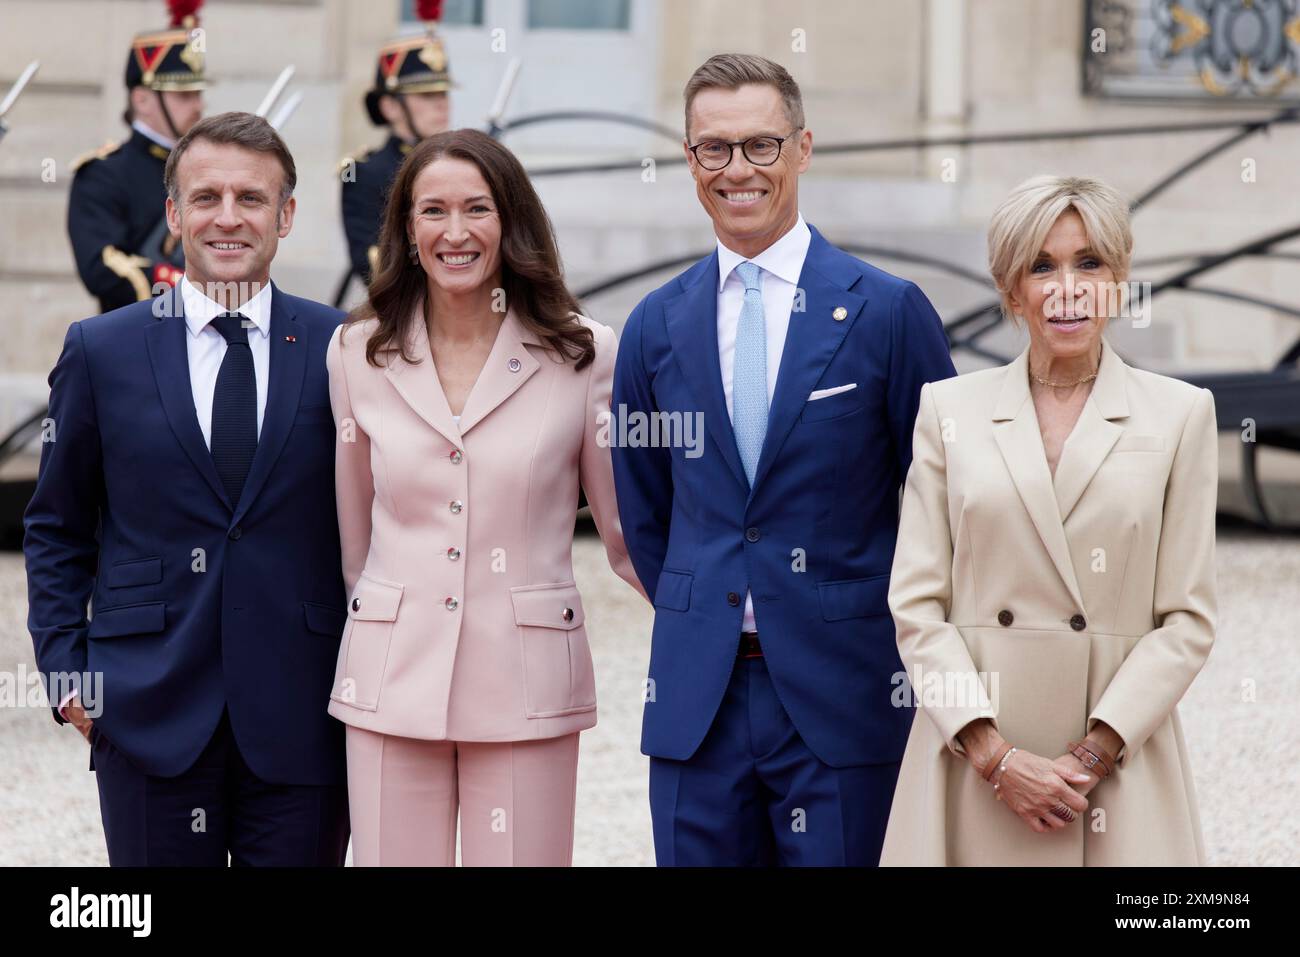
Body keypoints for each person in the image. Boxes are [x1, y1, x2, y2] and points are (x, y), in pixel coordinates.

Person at [611, 54, 957, 866]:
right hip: (699, 701)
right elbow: (644, 510)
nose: (739, 170)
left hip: (845, 694)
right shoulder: (655, 325)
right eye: (714, 149)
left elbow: (944, 504)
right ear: (690, 160)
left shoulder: (888, 312)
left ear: (803, 148)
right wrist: (708, 609)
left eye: (762, 146)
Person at [25, 112, 350, 866]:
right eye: (206, 197)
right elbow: (56, 526)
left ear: (287, 215)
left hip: (304, 715)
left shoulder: (343, 347)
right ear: (174, 214)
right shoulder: (101, 351)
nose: (228, 218)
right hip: (145, 711)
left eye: (252, 198)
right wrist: (67, 672)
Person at [327, 128, 645, 866]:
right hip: (390, 679)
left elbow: (627, 533)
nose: (456, 231)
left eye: (477, 208)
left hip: (526, 683)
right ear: (407, 230)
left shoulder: (585, 354)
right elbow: (354, 536)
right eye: (433, 211)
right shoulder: (356, 351)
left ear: (510, 222)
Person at [881, 175, 1217, 866]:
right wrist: (993, 754)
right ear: (1012, 291)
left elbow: (1186, 619)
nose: (1068, 287)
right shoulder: (948, 412)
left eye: (1089, 263)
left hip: (1117, 771)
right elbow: (917, 606)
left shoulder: (1182, 414)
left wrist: (1094, 751)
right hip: (971, 765)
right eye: (1042, 265)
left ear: (1119, 282)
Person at [67, 0, 206, 313]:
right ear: (142, 99)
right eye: (185, 95)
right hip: (135, 333)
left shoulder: (202, 167)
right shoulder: (104, 173)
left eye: (198, 93)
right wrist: (184, 284)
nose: (198, 105)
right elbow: (100, 268)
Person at [339, 5, 453, 287]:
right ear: (390, 106)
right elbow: (372, 263)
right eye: (426, 95)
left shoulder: (461, 164)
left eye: (443, 93)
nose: (441, 103)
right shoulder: (365, 171)